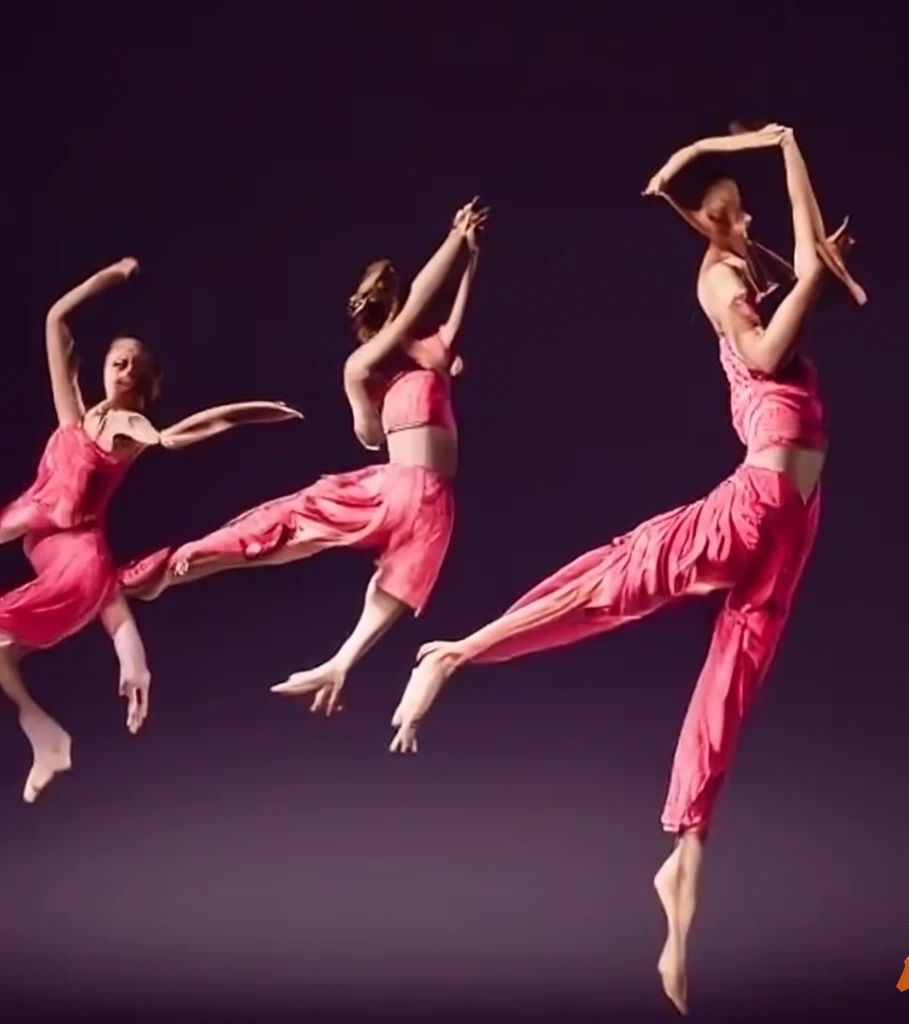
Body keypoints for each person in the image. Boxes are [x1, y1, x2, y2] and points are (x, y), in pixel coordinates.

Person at [387, 127, 865, 1014]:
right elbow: (762, 353)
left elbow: (803, 251)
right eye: (735, 208)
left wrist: (790, 151)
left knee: (733, 682)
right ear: (714, 222)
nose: (749, 217)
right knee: (618, 578)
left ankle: (682, 862)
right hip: (755, 502)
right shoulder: (722, 281)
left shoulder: (760, 276)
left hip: (796, 521)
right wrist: (794, 220)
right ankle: (455, 652)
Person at [119, 199, 486, 716]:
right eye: (386, 298)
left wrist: (470, 255)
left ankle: (339, 662)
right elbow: (373, 426)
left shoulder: (432, 353)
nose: (395, 301)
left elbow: (449, 320)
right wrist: (454, 240)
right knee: (279, 529)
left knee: (402, 579)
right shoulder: (363, 364)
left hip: (432, 502)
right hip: (393, 485)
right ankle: (168, 569)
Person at [0, 257, 302, 803]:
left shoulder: (125, 428)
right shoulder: (75, 419)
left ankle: (46, 735)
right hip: (46, 535)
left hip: (74, 561)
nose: (121, 369)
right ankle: (45, 736)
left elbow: (179, 435)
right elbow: (54, 321)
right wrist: (110, 277)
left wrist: (249, 412)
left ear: (143, 383)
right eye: (117, 360)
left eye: (133, 367)